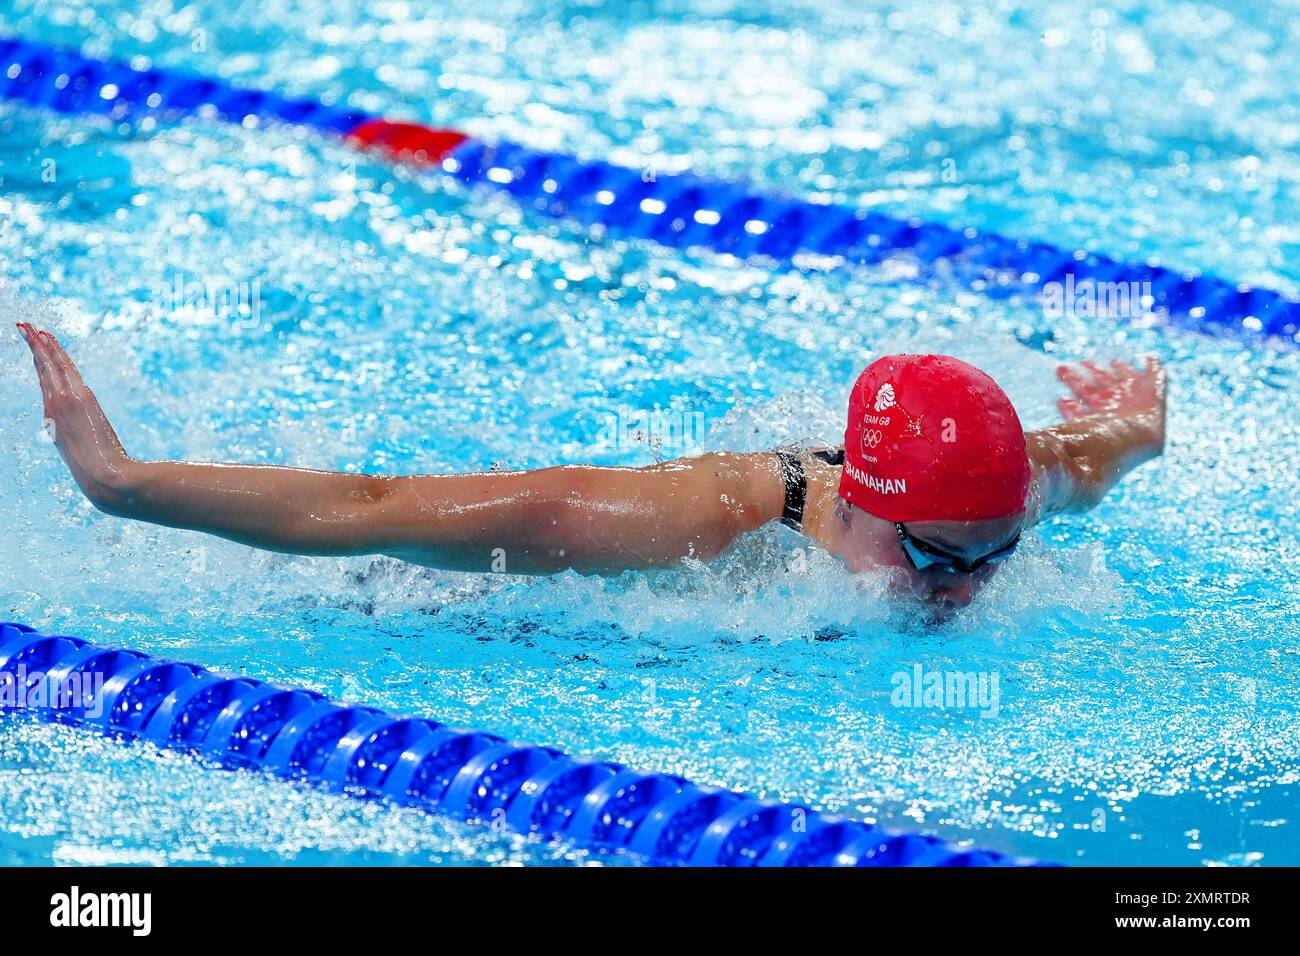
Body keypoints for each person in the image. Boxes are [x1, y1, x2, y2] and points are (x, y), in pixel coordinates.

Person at [16, 323, 1165, 610]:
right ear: (865, 499)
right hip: (467, 611)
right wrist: (124, 482)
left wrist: (1135, 421)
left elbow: (1102, 447)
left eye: (995, 554)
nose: (966, 589)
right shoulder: (687, 520)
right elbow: (375, 505)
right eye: (937, 556)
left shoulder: (1004, 494)